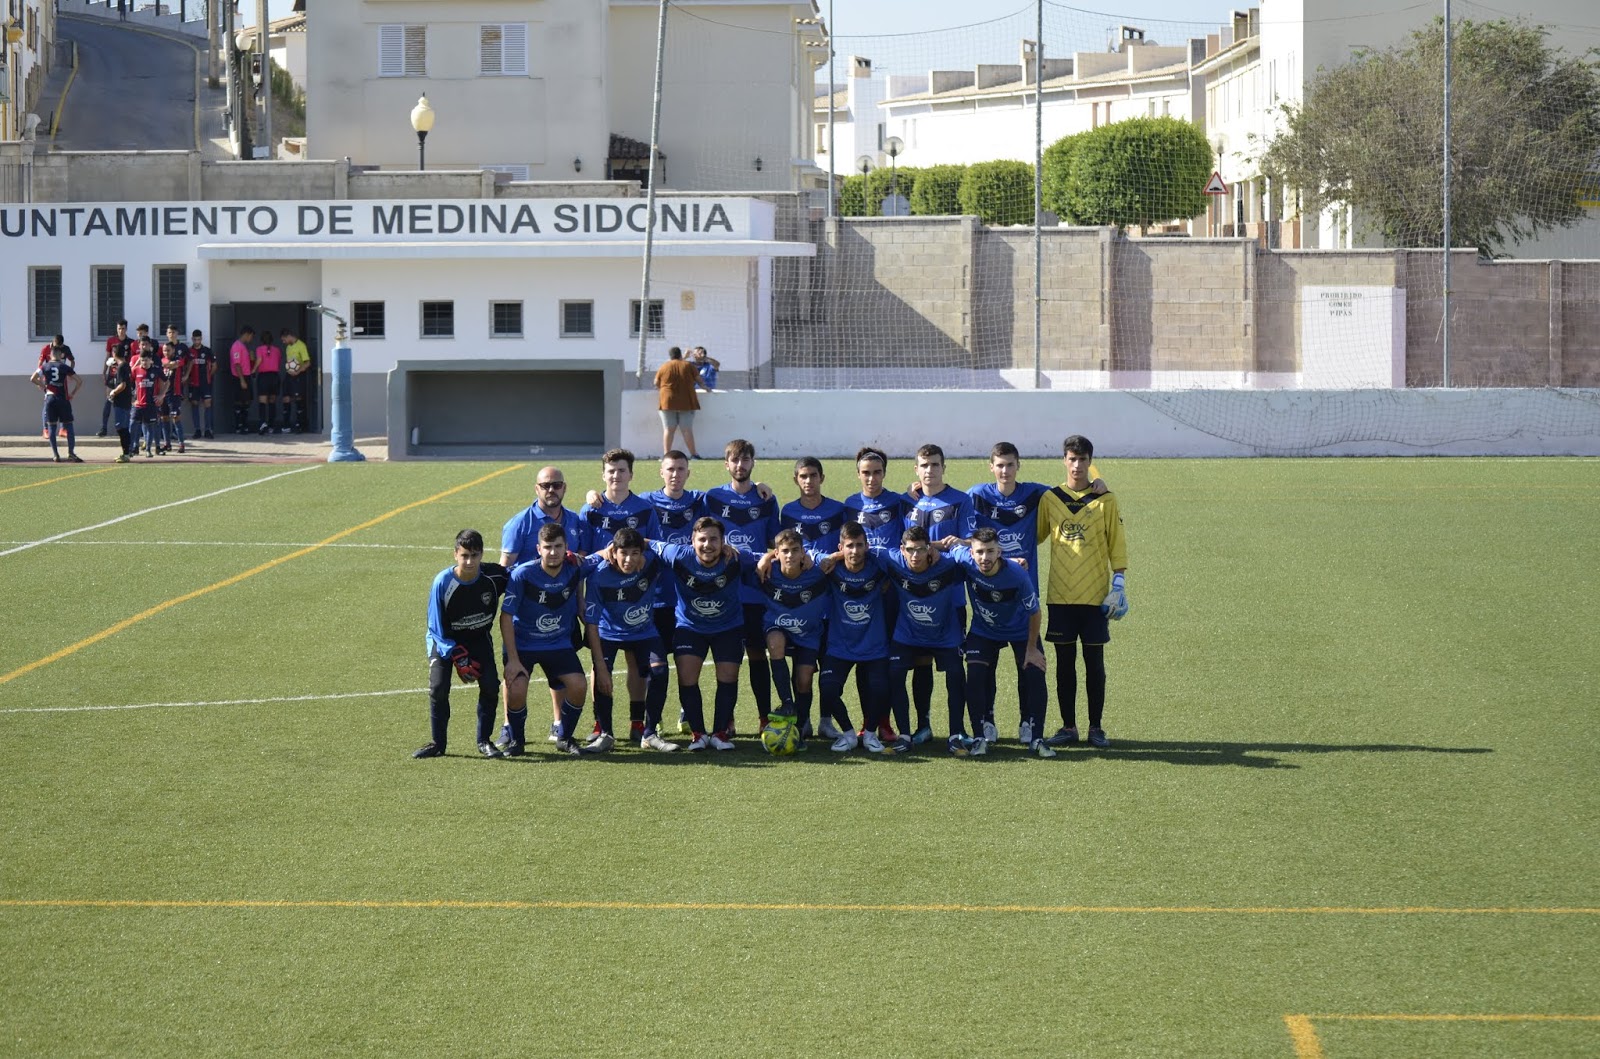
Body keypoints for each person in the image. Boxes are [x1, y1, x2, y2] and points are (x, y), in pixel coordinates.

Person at [1035, 434, 1128, 750]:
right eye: (1072, 459)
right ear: (1064, 460)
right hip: (1060, 596)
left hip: (1094, 596)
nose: (1077, 465)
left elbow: (1117, 542)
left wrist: (1119, 583)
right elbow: (1034, 535)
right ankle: (1068, 727)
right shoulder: (1050, 499)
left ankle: (1096, 727)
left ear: (1090, 462)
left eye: (1083, 459)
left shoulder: (1106, 500)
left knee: (1095, 663)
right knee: (1063, 665)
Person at [576, 449, 662, 743]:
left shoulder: (645, 509)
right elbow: (582, 556)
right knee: (600, 664)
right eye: (611, 471)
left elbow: (654, 548)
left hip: (637, 596)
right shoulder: (590, 509)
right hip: (603, 594)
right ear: (603, 475)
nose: (616, 476)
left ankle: (637, 723)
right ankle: (601, 725)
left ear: (631, 475)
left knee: (640, 667)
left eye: (622, 470)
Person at [941, 527, 1051, 757]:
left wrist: (1032, 649)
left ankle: (1036, 736)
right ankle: (980, 735)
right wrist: (925, 547)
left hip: (1021, 630)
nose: (984, 557)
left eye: (990, 551)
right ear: (971, 553)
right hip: (984, 630)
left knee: (1035, 672)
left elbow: (1035, 612)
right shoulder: (965, 559)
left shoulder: (1017, 574)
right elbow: (945, 547)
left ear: (999, 551)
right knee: (976, 676)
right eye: (980, 552)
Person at [498, 466, 588, 743]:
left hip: (563, 613)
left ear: (564, 487)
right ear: (536, 489)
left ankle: (559, 723)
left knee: (561, 676)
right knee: (515, 677)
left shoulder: (575, 521)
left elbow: (579, 568)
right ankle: (507, 727)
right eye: (545, 485)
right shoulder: (520, 523)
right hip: (525, 616)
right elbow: (504, 571)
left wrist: (580, 605)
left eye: (556, 485)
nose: (551, 490)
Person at [643, 516, 748, 750]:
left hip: (728, 627)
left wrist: (768, 559)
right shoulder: (678, 555)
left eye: (714, 539)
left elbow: (770, 556)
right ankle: (698, 734)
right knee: (687, 678)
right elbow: (645, 542)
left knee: (728, 678)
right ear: (692, 540)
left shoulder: (736, 558)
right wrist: (609, 551)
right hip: (690, 627)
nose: (707, 545)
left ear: (724, 542)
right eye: (702, 539)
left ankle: (720, 734)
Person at [878, 525, 978, 755]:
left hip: (945, 635)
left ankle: (955, 736)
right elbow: (860, 551)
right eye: (911, 550)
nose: (915, 556)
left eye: (921, 550)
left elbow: (978, 555)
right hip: (907, 634)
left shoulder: (948, 565)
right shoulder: (891, 559)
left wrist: (1015, 562)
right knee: (894, 674)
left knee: (956, 676)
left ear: (929, 550)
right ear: (902, 549)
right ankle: (904, 736)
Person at [705, 438, 781, 734]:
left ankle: (764, 717)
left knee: (756, 653)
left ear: (753, 463)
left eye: (745, 460)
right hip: (721, 590)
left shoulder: (765, 499)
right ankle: (727, 720)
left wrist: (768, 557)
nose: (740, 465)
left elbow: (776, 542)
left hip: (753, 590)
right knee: (727, 658)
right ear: (726, 465)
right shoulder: (711, 498)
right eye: (735, 460)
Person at [415, 529, 511, 760]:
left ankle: (484, 741)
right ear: (455, 554)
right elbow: (435, 627)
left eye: (474, 555)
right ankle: (438, 744)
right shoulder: (442, 582)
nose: (469, 561)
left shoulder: (494, 577)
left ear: (482, 555)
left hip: (478, 639)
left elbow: (523, 576)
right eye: (464, 555)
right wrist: (457, 655)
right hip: (445, 641)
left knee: (490, 685)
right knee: (438, 689)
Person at [582, 527, 675, 752]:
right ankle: (606, 734)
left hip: (644, 631)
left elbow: (676, 551)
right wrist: (600, 666)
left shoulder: (652, 561)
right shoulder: (599, 575)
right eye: (624, 553)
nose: (629, 559)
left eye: (635, 553)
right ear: (613, 552)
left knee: (660, 671)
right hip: (608, 633)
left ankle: (650, 733)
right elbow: (591, 623)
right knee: (603, 677)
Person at [753, 528, 834, 750]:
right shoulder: (768, 571)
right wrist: (765, 557)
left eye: (795, 551)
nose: (790, 556)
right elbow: (738, 553)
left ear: (803, 553)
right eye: (785, 551)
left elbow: (839, 555)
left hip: (809, 633)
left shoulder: (817, 571)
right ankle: (787, 703)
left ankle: (800, 726)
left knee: (804, 679)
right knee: (775, 641)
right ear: (777, 553)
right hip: (778, 626)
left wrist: (819, 557)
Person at [818, 521, 893, 752]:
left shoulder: (879, 565)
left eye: (860, 545)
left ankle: (870, 734)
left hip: (873, 644)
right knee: (828, 689)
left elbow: (901, 556)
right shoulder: (830, 568)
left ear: (867, 546)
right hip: (840, 644)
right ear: (841, 547)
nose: (855, 551)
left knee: (881, 689)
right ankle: (849, 734)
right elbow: (808, 556)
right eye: (849, 546)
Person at [780, 456, 846, 555]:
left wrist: (834, 558)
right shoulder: (788, 511)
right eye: (803, 476)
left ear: (822, 478)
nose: (808, 481)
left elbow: (849, 545)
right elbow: (782, 546)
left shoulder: (838, 509)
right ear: (795, 480)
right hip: (800, 570)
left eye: (813, 475)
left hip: (830, 569)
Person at [30, 342, 83, 463]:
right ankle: (71, 453)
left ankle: (55, 455)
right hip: (63, 399)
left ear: (50, 354)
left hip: (50, 399)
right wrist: (73, 393)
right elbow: (79, 381)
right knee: (69, 425)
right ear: (60, 355)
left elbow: (32, 378)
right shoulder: (64, 367)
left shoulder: (45, 366)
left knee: (52, 427)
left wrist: (44, 387)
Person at [652, 345, 702, 458]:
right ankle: (694, 455)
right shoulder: (688, 365)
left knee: (669, 430)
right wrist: (706, 387)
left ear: (670, 356)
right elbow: (699, 380)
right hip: (687, 401)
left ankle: (666, 455)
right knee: (686, 429)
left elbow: (656, 382)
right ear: (680, 355)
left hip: (667, 401)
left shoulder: (664, 366)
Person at [35, 335, 75, 446]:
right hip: (49, 380)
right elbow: (40, 363)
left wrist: (70, 373)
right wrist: (39, 379)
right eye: (58, 347)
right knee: (48, 402)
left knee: (63, 401)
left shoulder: (66, 348)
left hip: (61, 379)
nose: (60, 350)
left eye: (61, 347)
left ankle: (63, 429)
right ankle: (45, 429)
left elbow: (72, 360)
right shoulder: (46, 349)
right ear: (53, 343)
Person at [130, 341, 164, 457]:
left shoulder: (155, 370)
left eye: (146, 360)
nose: (144, 362)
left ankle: (148, 449)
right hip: (138, 405)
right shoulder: (136, 370)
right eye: (142, 360)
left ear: (151, 360)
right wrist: (132, 399)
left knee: (150, 428)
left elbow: (167, 381)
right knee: (133, 425)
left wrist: (161, 395)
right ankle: (132, 448)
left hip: (150, 405)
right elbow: (128, 382)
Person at [100, 320, 132, 437]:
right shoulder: (111, 341)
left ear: (126, 329)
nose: (121, 331)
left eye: (123, 328)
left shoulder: (131, 343)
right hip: (112, 375)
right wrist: (104, 372)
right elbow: (107, 357)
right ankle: (104, 428)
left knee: (125, 403)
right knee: (109, 400)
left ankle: (126, 428)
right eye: (119, 328)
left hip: (123, 375)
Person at [106, 345, 135, 463]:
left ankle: (126, 453)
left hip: (121, 401)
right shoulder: (125, 365)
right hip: (125, 401)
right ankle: (128, 451)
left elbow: (122, 385)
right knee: (123, 427)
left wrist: (113, 392)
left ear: (114, 353)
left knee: (121, 427)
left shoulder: (122, 367)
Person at [186, 329, 217, 438]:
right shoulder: (189, 351)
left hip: (205, 383)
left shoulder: (207, 351)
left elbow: (214, 365)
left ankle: (208, 430)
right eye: (195, 339)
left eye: (198, 339)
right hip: (193, 383)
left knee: (207, 404)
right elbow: (185, 366)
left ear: (201, 339)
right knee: (194, 404)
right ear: (192, 339)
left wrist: (209, 376)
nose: (197, 341)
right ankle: (197, 430)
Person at [252, 329, 283, 435]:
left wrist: (254, 369)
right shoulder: (277, 350)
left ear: (261, 340)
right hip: (274, 376)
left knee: (262, 401)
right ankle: (271, 425)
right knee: (272, 402)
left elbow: (259, 359)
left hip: (264, 377)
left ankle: (262, 423)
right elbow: (278, 362)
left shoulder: (259, 349)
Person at [160, 341, 188, 455]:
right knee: (164, 418)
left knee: (176, 418)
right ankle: (167, 443)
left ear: (173, 350)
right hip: (164, 394)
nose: (166, 352)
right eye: (164, 350)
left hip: (175, 393)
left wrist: (161, 365)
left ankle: (181, 444)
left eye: (168, 350)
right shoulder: (162, 359)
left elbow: (175, 364)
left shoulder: (179, 359)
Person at [281, 327, 311, 433]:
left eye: (284, 340)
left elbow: (307, 363)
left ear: (289, 336)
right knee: (286, 398)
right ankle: (286, 425)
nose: (283, 342)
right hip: (289, 375)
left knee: (298, 399)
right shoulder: (288, 348)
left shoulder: (301, 345)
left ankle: (299, 425)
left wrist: (297, 372)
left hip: (298, 375)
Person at [229, 325, 255, 433]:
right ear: (247, 334)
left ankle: (245, 424)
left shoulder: (244, 346)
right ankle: (239, 426)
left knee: (246, 402)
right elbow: (237, 364)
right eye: (251, 337)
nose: (251, 339)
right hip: (239, 377)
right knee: (239, 402)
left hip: (246, 376)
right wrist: (242, 380)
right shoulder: (237, 346)